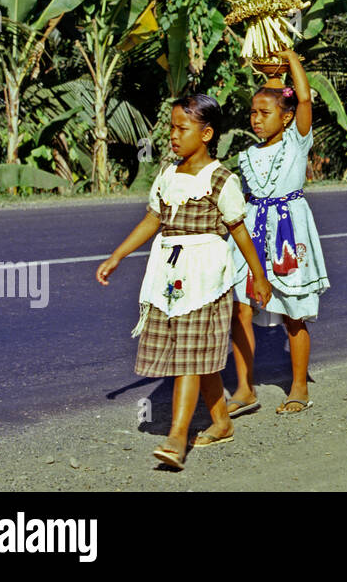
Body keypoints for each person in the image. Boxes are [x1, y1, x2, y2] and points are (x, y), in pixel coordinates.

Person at [96, 95, 273, 470]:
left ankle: (177, 438)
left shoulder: (222, 180)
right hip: (170, 280)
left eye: (182, 128)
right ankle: (221, 421)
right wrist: (118, 255)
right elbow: (153, 219)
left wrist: (259, 276)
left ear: (206, 134)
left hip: (206, 282)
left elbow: (239, 231)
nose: (174, 135)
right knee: (198, 358)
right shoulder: (167, 175)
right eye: (171, 128)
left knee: (189, 360)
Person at [225, 51, 330, 416]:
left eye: (265, 113)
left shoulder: (296, 141)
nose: (256, 120)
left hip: (288, 231)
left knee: (292, 312)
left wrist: (288, 58)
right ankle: (244, 387)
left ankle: (298, 385)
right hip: (252, 230)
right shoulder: (245, 155)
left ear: (285, 119)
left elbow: (303, 97)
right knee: (239, 306)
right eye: (252, 113)